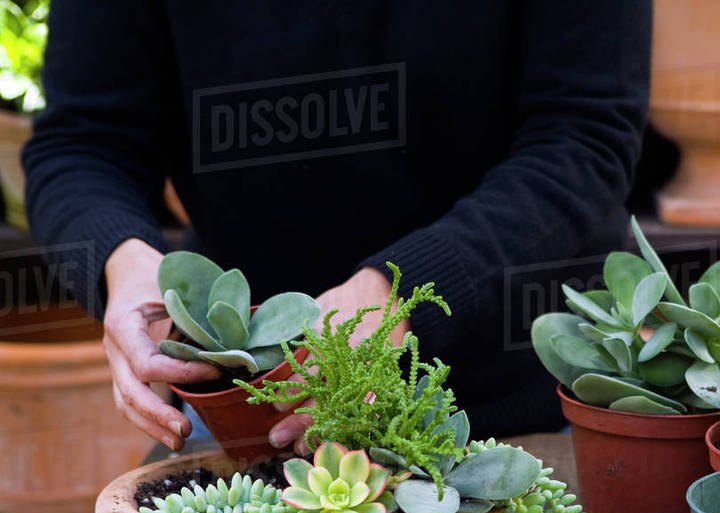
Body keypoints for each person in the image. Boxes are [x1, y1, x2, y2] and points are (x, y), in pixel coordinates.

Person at [23, 1, 651, 452]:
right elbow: (84, 144)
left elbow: (583, 141)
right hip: (249, 424)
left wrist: (397, 293)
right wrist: (125, 265)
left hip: (530, 426)